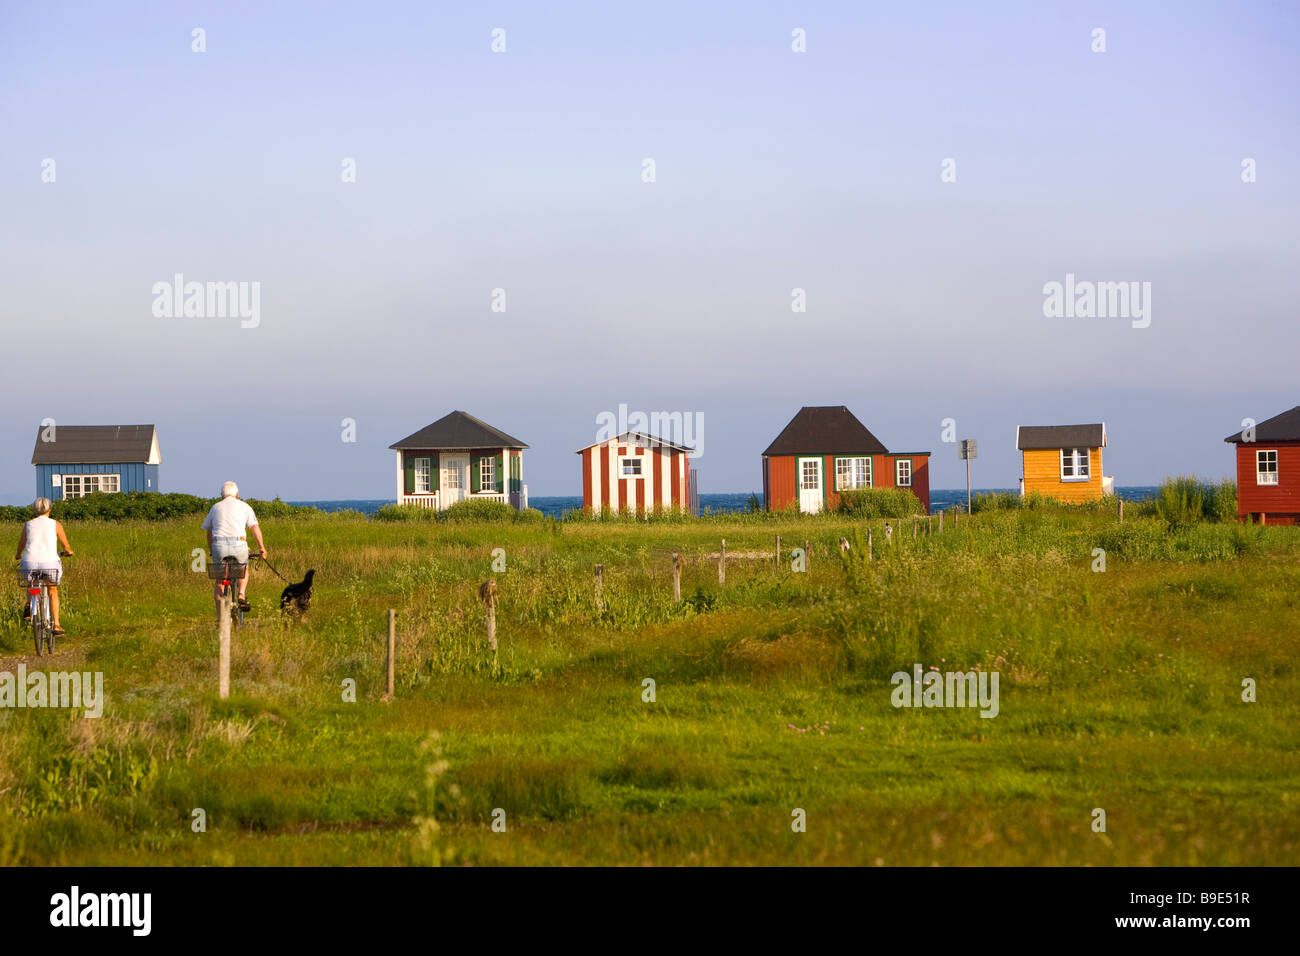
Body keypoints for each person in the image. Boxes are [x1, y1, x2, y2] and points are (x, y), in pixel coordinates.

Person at [201, 481, 266, 612]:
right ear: (237, 494)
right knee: (244, 569)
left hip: (219, 545)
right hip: (239, 545)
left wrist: (212, 550)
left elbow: (208, 531)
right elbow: (255, 528)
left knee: (219, 581)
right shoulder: (245, 507)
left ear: (222, 495)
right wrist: (262, 548)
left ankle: (220, 619)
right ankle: (241, 594)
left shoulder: (215, 507)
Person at [14, 497, 73, 636]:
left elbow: (21, 544)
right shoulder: (55, 524)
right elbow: (66, 546)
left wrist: (18, 555)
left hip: (29, 562)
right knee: (52, 590)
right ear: (49, 509)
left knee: (32, 583)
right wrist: (68, 551)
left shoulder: (28, 524)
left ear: (34, 510)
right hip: (50, 563)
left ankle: (28, 604)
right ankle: (57, 625)